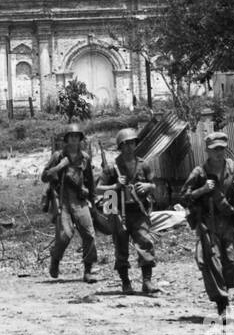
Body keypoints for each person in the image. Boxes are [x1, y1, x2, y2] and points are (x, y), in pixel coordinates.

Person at [175, 132, 234, 318]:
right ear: (207, 151)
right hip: (208, 223)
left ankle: (225, 287)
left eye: (221, 149)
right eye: (214, 149)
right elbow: (183, 198)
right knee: (211, 263)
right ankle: (222, 303)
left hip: (229, 221)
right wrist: (202, 190)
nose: (218, 153)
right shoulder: (199, 172)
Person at [98, 127, 158, 295]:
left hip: (139, 212)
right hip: (119, 213)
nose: (130, 147)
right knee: (121, 248)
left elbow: (154, 185)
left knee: (145, 244)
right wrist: (115, 186)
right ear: (120, 146)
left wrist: (147, 186)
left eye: (132, 143)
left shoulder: (143, 164)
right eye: (126, 144)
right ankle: (126, 283)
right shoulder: (112, 167)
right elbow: (98, 189)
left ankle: (147, 281)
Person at [41, 122, 99, 282]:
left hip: (80, 201)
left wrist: (92, 201)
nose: (74, 140)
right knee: (64, 236)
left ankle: (88, 270)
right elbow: (44, 177)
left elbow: (90, 181)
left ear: (80, 139)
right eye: (71, 136)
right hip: (63, 200)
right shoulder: (58, 156)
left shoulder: (85, 157)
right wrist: (60, 166)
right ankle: (55, 260)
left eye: (77, 137)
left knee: (89, 234)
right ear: (67, 139)